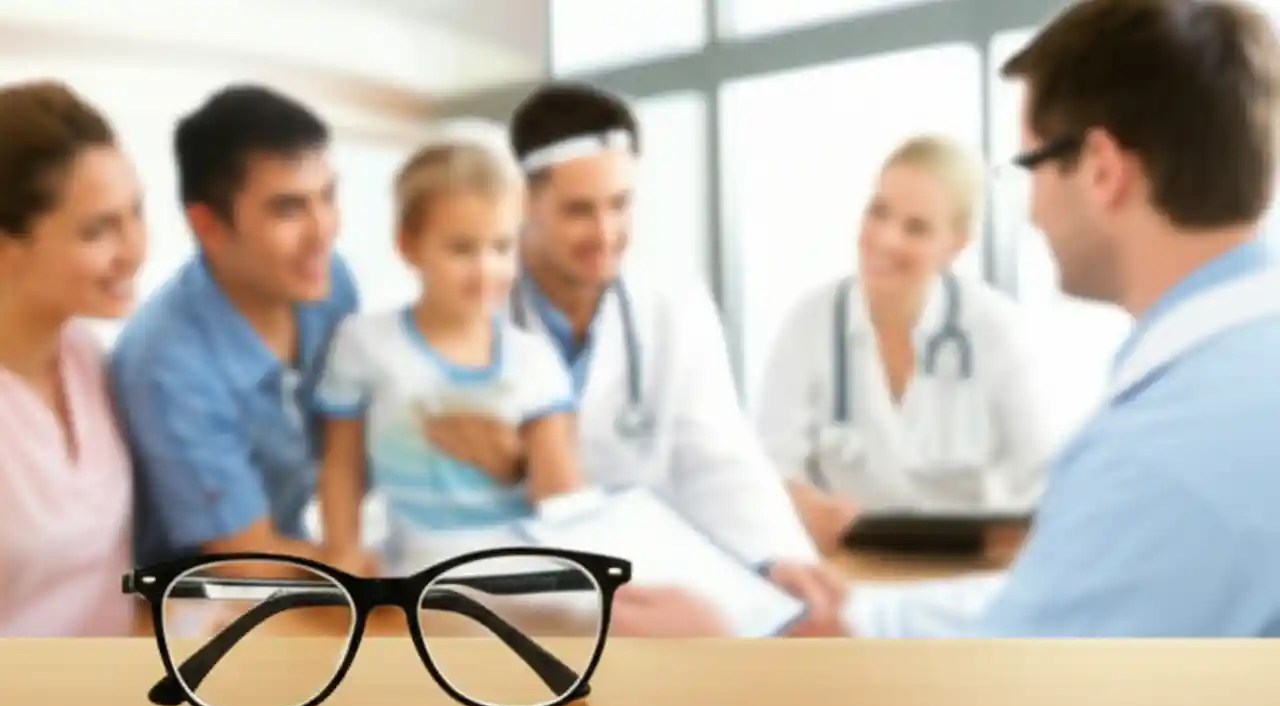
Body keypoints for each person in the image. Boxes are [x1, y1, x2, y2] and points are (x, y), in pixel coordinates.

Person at [848, 0, 1280, 637]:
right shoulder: (1240, 377)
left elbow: (1027, 677)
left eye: (1032, 167)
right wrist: (855, 618)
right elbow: (1069, 595)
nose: (1033, 213)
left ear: (1102, 171)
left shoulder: (1157, 455)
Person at [423, 83, 847, 636]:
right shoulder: (466, 313)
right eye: (579, 211)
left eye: (620, 205)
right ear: (523, 206)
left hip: (651, 587)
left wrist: (776, 558)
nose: (606, 234)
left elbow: (717, 455)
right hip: (513, 601)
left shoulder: (669, 302)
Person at [111, 85, 372, 573]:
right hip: (187, 602)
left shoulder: (330, 284)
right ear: (207, 225)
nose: (324, 231)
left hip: (299, 562)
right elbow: (242, 558)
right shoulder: (164, 361)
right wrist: (373, 573)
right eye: (289, 209)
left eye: (328, 197)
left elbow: (348, 435)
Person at [754, 136, 1056, 553]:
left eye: (916, 228)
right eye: (878, 213)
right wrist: (797, 502)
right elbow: (769, 470)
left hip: (972, 574)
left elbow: (1044, 482)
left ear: (955, 244)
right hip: (849, 570)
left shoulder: (996, 330)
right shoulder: (809, 324)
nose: (887, 239)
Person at [314, 123, 583, 573]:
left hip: (522, 578)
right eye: (461, 249)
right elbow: (342, 468)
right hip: (413, 574)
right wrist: (341, 553)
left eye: (501, 247)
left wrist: (518, 462)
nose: (485, 270)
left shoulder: (534, 361)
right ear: (408, 245)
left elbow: (562, 500)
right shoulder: (364, 344)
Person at [0, 81, 145, 635]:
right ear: (7, 247)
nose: (134, 250)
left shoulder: (83, 353)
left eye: (136, 213)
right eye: (98, 230)